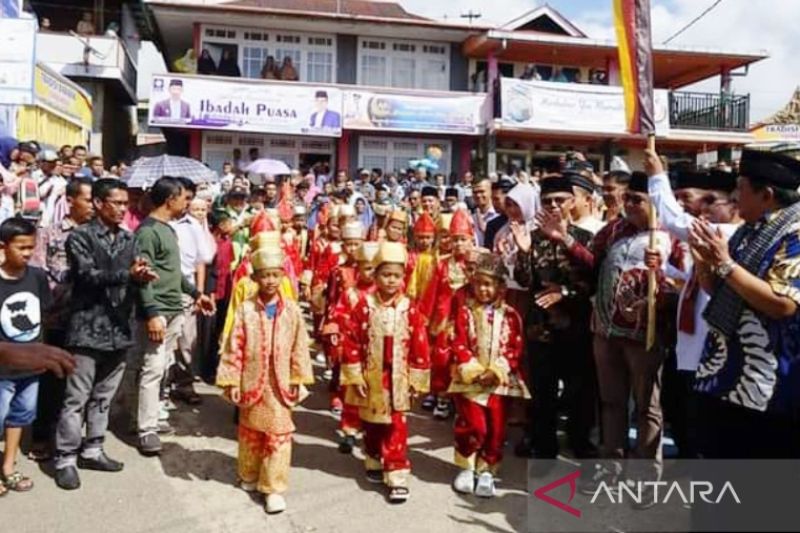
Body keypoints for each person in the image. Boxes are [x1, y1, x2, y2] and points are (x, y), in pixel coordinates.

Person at [572, 172, 684, 499]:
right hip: (605, 330)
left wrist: (662, 286)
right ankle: (611, 465)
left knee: (647, 407)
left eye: (638, 200)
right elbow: (592, 261)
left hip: (645, 336)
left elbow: (686, 284)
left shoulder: (671, 237)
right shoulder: (614, 230)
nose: (630, 205)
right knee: (610, 401)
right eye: (629, 198)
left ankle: (646, 476)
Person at [686, 149, 800, 458]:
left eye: (742, 188)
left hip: (768, 387)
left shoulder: (794, 233)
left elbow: (783, 304)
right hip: (722, 373)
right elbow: (722, 291)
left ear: (767, 195)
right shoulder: (747, 232)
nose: (734, 196)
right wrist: (703, 264)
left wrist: (724, 263)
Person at [54, 179, 158, 490]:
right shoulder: (80, 237)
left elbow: (136, 276)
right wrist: (127, 275)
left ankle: (93, 449)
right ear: (99, 203)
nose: (124, 209)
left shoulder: (129, 239)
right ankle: (65, 459)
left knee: (103, 397)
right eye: (117, 203)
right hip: (86, 329)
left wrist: (142, 277)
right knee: (76, 398)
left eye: (126, 204)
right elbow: (87, 276)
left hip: (118, 329)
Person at [217, 242, 313, 514]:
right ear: (255, 278)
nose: (271, 281)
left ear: (283, 275)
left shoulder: (292, 310)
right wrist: (232, 381)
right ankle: (249, 473)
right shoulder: (246, 310)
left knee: (279, 435)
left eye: (276, 274)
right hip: (252, 381)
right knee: (251, 431)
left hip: (280, 385)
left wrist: (298, 378)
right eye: (265, 275)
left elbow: (299, 346)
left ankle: (273, 488)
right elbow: (234, 346)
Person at [512, 177, 597, 460]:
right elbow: (524, 280)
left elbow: (594, 281)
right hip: (540, 326)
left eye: (560, 200)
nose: (553, 205)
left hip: (575, 326)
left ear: (572, 202)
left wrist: (566, 292)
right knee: (542, 391)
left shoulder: (583, 238)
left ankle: (579, 441)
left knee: (578, 390)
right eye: (548, 201)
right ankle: (543, 444)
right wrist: (523, 254)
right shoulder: (533, 238)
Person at [340, 241, 430, 503]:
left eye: (396, 276)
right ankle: (373, 457)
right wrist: (355, 375)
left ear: (404, 277)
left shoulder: (409, 308)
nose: (391, 281)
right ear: (375, 275)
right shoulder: (364, 305)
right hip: (372, 376)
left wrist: (417, 376)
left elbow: (419, 342)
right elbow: (352, 340)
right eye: (385, 274)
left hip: (398, 378)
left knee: (396, 425)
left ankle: (397, 472)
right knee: (371, 422)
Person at [133, 177, 215, 455]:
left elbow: (174, 273)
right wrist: (152, 312)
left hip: (174, 309)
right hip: (158, 312)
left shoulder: (167, 229)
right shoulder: (147, 232)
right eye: (184, 198)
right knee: (152, 368)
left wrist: (195, 293)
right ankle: (146, 429)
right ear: (170, 199)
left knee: (164, 365)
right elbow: (143, 276)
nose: (188, 203)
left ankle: (152, 418)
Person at [449, 251, 530, 497]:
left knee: (496, 429)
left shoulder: (510, 316)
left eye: (488, 284)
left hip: (497, 382)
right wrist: (473, 370)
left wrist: (497, 371)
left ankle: (487, 469)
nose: (483, 290)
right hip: (470, 379)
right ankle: (466, 465)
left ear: (499, 287)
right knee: (473, 425)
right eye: (478, 284)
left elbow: (515, 347)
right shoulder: (465, 312)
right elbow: (458, 342)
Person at [29, 177, 94, 461]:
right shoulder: (50, 233)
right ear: (70, 200)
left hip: (90, 320)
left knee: (81, 381)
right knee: (52, 378)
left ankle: (74, 437)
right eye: (88, 199)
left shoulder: (97, 234)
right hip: (58, 318)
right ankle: (42, 435)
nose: (93, 205)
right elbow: (37, 272)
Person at [0, 217, 52, 496]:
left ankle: (9, 466)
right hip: (2, 368)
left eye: (31, 247)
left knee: (20, 416)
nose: (27, 253)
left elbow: (44, 314)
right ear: (3, 247)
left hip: (30, 366)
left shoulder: (37, 277)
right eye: (21, 247)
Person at [420, 209, 474, 420]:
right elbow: (432, 292)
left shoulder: (475, 263)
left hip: (468, 319)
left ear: (470, 239)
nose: (459, 244)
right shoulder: (443, 264)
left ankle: (461, 399)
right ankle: (441, 396)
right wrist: (425, 315)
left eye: (463, 239)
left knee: (464, 359)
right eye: (455, 240)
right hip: (445, 320)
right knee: (442, 357)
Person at [170, 178, 215, 405]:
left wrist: (198, 292)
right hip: (165, 289)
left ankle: (184, 384)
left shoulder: (194, 227)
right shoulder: (165, 224)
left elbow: (202, 260)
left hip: (186, 290)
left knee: (188, 341)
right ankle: (164, 388)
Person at [483, 179, 514, 250]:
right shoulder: (492, 225)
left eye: (496, 199)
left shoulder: (524, 222)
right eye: (492, 199)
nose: (493, 203)